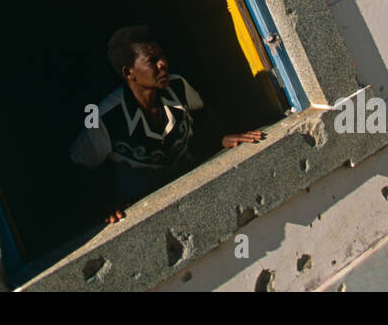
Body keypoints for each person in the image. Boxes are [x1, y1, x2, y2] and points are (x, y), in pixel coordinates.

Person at [69, 25, 266, 224]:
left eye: (162, 56)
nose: (163, 64)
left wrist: (222, 138)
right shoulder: (106, 117)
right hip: (142, 213)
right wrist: (104, 205)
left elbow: (204, 119)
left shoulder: (178, 87)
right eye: (152, 61)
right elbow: (79, 167)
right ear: (129, 73)